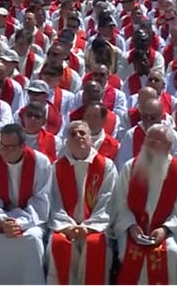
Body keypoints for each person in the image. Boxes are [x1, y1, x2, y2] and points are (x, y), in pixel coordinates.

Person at [0, 123, 52, 285]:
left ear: (23, 146)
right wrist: (1, 220)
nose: (5, 151)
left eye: (11, 147)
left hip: (31, 220)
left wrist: (18, 223)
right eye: (2, 145)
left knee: (33, 238)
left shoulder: (41, 162)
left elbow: (41, 201)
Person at [113, 123, 177, 284]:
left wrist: (165, 229)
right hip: (133, 230)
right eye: (149, 139)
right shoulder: (130, 167)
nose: (151, 144)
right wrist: (131, 226)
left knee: (172, 253)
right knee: (125, 253)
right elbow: (120, 203)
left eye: (157, 141)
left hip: (167, 232)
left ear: (169, 145)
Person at [47, 120, 116, 285]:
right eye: (73, 134)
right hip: (65, 228)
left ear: (91, 139)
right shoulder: (57, 168)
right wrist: (67, 226)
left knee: (94, 244)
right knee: (58, 242)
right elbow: (53, 201)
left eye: (82, 133)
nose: (78, 136)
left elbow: (108, 200)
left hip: (95, 228)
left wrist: (89, 227)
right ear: (67, 142)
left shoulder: (106, 166)